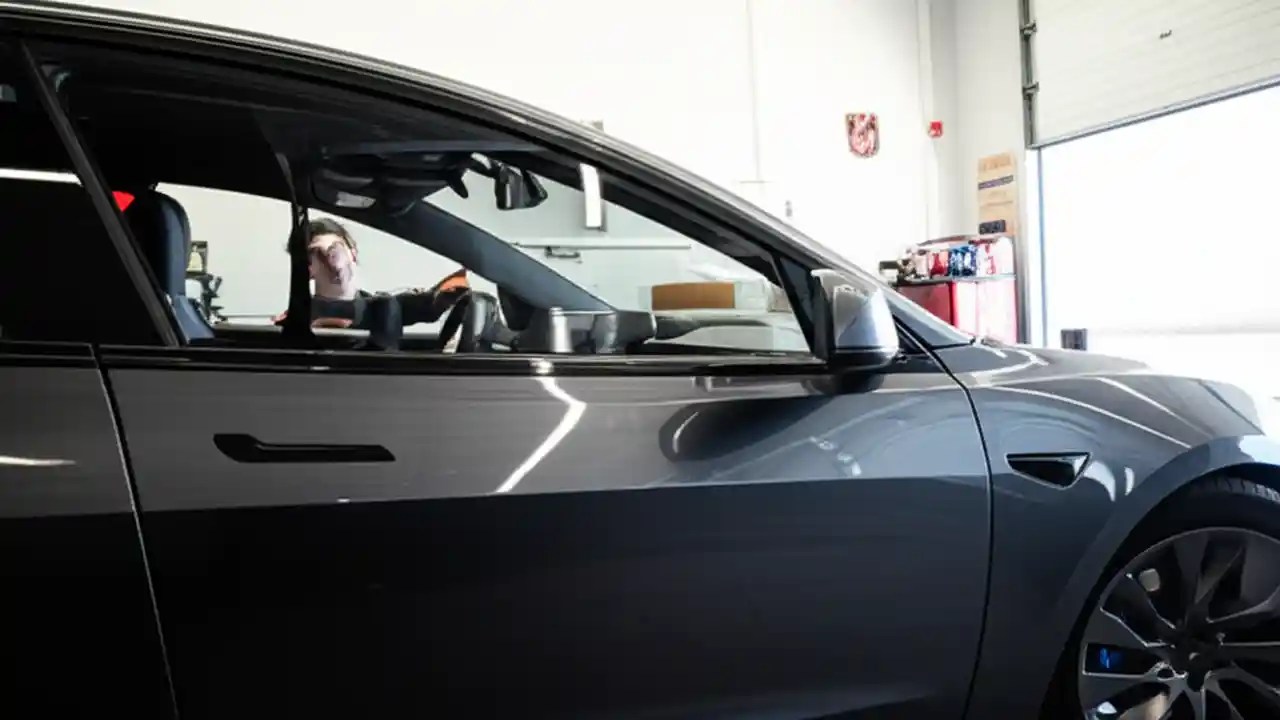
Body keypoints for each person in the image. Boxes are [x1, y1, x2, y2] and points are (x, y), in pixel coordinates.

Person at [273, 218, 471, 338]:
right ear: (306, 268)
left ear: (353, 253)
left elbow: (432, 303)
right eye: (318, 253)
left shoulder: (384, 308)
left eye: (337, 248)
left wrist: (467, 267)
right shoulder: (297, 320)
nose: (332, 259)